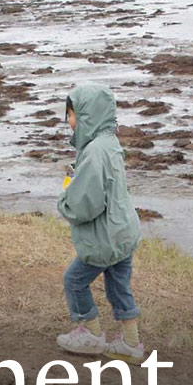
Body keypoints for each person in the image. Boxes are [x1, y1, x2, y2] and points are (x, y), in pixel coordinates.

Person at [55, 84, 144, 361]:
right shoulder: (110, 143)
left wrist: (65, 198)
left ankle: (91, 335)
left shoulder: (93, 152)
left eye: (71, 115)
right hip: (124, 231)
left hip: (105, 237)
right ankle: (131, 343)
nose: (69, 121)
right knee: (119, 286)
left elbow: (84, 206)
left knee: (74, 281)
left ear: (86, 115)